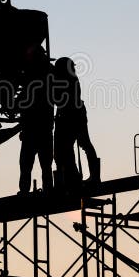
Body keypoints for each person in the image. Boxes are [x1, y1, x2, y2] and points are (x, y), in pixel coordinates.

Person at [52, 56, 100, 190]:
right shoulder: (70, 79)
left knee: (77, 145)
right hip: (74, 115)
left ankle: (82, 176)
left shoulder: (69, 80)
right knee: (75, 146)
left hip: (73, 116)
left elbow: (59, 100)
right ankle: (78, 176)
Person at [16, 45, 54, 195]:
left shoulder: (36, 75)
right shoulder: (47, 72)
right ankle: (47, 189)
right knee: (43, 163)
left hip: (33, 129)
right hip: (42, 128)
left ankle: (26, 190)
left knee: (27, 163)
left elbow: (24, 95)